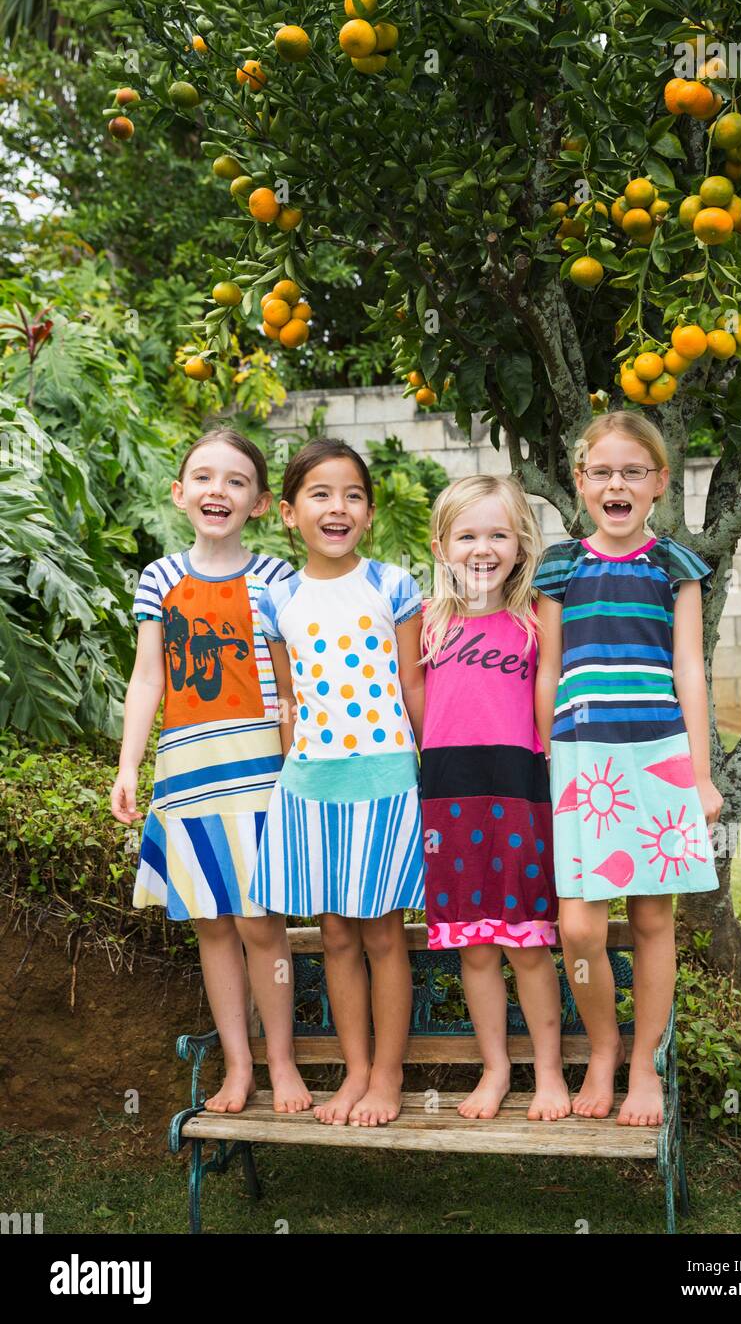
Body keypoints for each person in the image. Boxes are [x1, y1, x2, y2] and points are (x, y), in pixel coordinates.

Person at [110, 427, 311, 1117]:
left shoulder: (279, 580)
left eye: (235, 481)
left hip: (261, 774)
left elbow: (296, 684)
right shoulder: (159, 578)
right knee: (212, 924)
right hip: (189, 773)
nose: (216, 491)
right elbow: (146, 680)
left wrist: (297, 762)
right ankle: (237, 1067)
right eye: (202, 477)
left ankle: (283, 1064)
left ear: (259, 503)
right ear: (179, 493)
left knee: (261, 923)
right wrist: (129, 764)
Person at [533, 411, 722, 1128]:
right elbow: (549, 669)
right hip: (584, 762)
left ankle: (645, 1062)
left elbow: (690, 673)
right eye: (602, 472)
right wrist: (548, 757)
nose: (617, 483)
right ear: (580, 482)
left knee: (651, 918)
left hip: (658, 759)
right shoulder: (561, 566)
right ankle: (604, 1046)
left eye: (633, 471)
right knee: (578, 927)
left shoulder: (675, 567)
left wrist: (699, 775)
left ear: (659, 483)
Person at [250, 438, 425, 1128]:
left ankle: (388, 1075)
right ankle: (354, 1072)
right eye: (320, 494)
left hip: (386, 782)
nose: (337, 507)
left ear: (370, 513)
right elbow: (288, 700)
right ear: (290, 514)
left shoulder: (392, 586)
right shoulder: (277, 599)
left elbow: (412, 683)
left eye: (352, 495)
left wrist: (431, 766)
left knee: (382, 936)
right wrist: (291, 769)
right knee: (336, 936)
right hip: (311, 789)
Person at [420, 475, 570, 1122]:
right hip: (449, 799)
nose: (483, 549)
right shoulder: (427, 625)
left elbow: (551, 709)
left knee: (527, 944)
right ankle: (495, 1069)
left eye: (498, 535)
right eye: (468, 536)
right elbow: (419, 710)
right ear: (442, 546)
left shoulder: (536, 619)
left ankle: (550, 1073)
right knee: (475, 947)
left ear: (520, 543)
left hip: (519, 794)